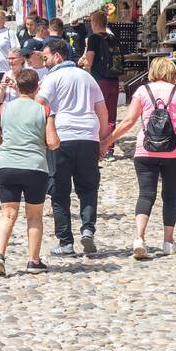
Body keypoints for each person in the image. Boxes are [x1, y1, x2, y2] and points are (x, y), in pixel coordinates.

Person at [104, 55, 176, 259]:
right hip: (174, 151)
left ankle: (139, 238)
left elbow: (128, 121)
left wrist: (108, 141)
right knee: (170, 195)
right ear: (170, 72)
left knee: (146, 194)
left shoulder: (142, 91)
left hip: (145, 150)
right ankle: (168, 242)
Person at [38, 36, 109, 257]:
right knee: (88, 188)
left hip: (62, 137)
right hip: (88, 136)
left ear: (57, 56)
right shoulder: (87, 77)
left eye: (46, 57)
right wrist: (102, 138)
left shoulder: (53, 78)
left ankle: (66, 242)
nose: (44, 62)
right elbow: (103, 111)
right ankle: (87, 229)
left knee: (59, 192)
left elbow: (38, 105)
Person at [0, 68, 58, 276]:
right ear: (37, 87)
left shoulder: (3, 109)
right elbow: (52, 142)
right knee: (34, 216)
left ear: (17, 87)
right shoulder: (44, 110)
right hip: (34, 167)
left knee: (7, 214)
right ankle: (33, 261)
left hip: (7, 165)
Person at [80, 10, 122, 157]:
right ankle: (109, 149)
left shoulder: (93, 38)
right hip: (114, 81)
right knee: (111, 116)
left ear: (95, 23)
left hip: (99, 82)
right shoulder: (113, 38)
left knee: (97, 114)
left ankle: (96, 147)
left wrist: (82, 61)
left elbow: (88, 62)